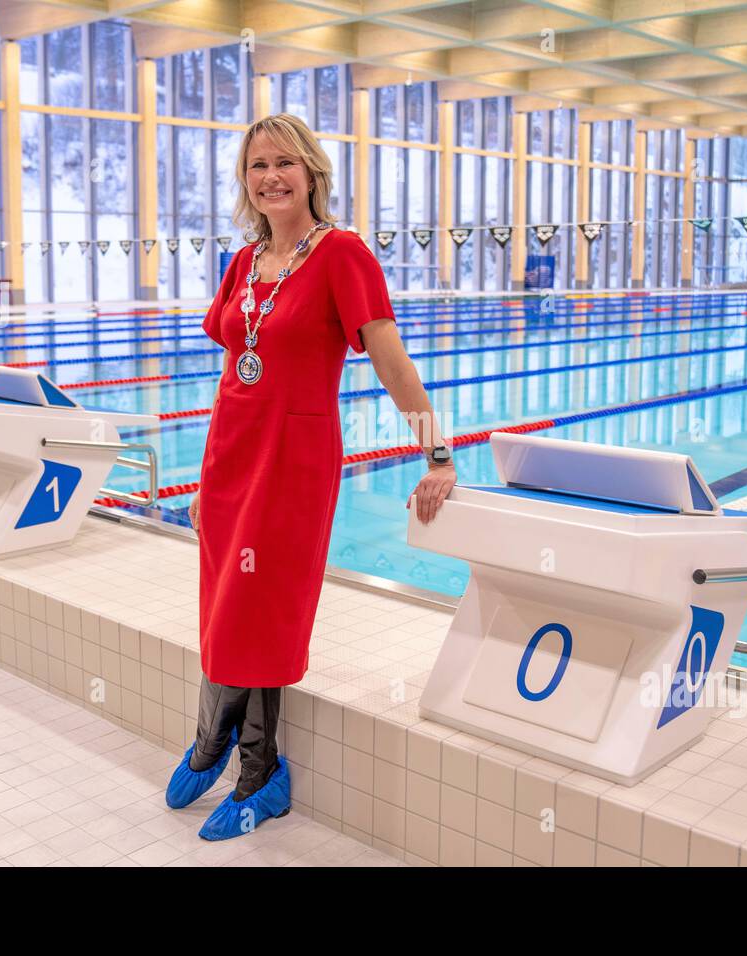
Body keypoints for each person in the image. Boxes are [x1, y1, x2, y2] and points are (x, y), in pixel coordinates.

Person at [165, 113, 458, 841]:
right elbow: (233, 373)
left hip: (291, 463)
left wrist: (438, 453)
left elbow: (390, 360)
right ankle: (214, 739)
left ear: (312, 173)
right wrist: (203, 479)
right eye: (257, 165)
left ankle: (260, 774)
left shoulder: (341, 255)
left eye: (284, 163)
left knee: (260, 609)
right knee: (221, 603)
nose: (271, 177)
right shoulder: (243, 263)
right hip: (230, 459)